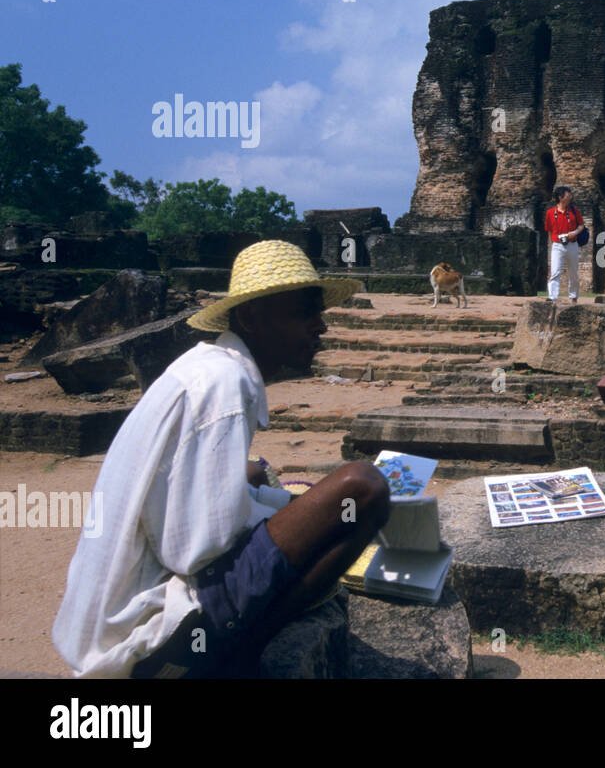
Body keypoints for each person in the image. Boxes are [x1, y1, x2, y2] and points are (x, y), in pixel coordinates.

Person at [52, 240, 391, 678]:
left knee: (265, 478)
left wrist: (278, 501)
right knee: (363, 488)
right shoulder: (225, 385)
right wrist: (289, 512)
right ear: (252, 317)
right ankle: (243, 647)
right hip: (147, 637)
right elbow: (194, 550)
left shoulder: (209, 367)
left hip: (101, 626)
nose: (320, 327)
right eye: (305, 312)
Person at [544, 185, 586, 303]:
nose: (570, 197)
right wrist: (552, 244)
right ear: (560, 198)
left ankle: (573, 296)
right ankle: (552, 297)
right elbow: (549, 230)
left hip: (572, 244)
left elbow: (581, 225)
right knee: (555, 271)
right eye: (568, 195)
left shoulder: (573, 210)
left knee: (573, 272)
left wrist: (575, 232)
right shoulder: (550, 213)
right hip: (557, 245)